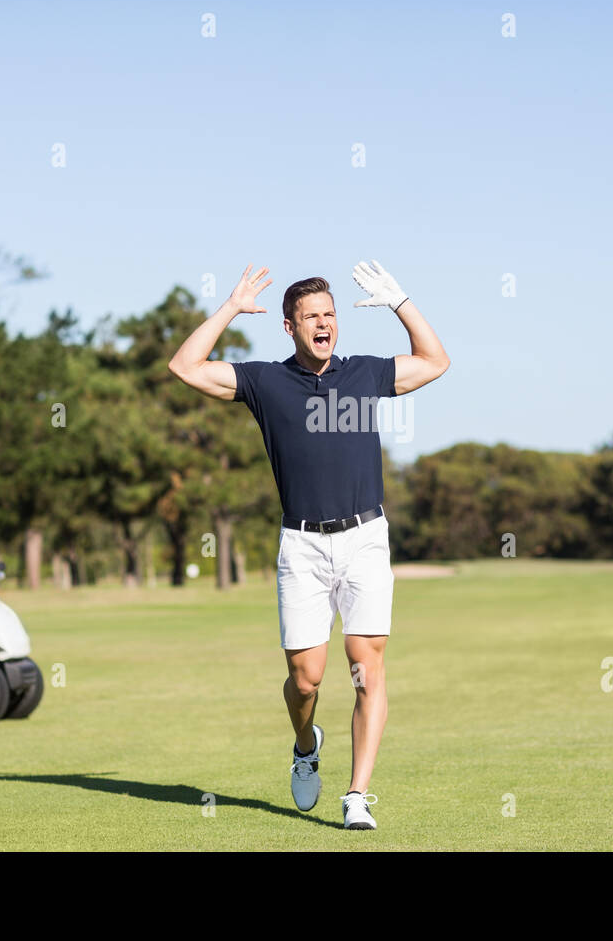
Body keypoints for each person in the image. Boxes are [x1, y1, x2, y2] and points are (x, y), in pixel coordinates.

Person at [167, 260, 450, 829]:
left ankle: (357, 795)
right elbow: (185, 366)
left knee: (365, 667)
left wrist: (401, 301)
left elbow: (435, 362)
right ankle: (305, 744)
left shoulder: (364, 374)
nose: (323, 324)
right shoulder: (264, 381)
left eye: (329, 315)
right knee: (307, 678)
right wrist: (228, 307)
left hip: (366, 537)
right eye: (310, 317)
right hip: (302, 546)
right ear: (289, 327)